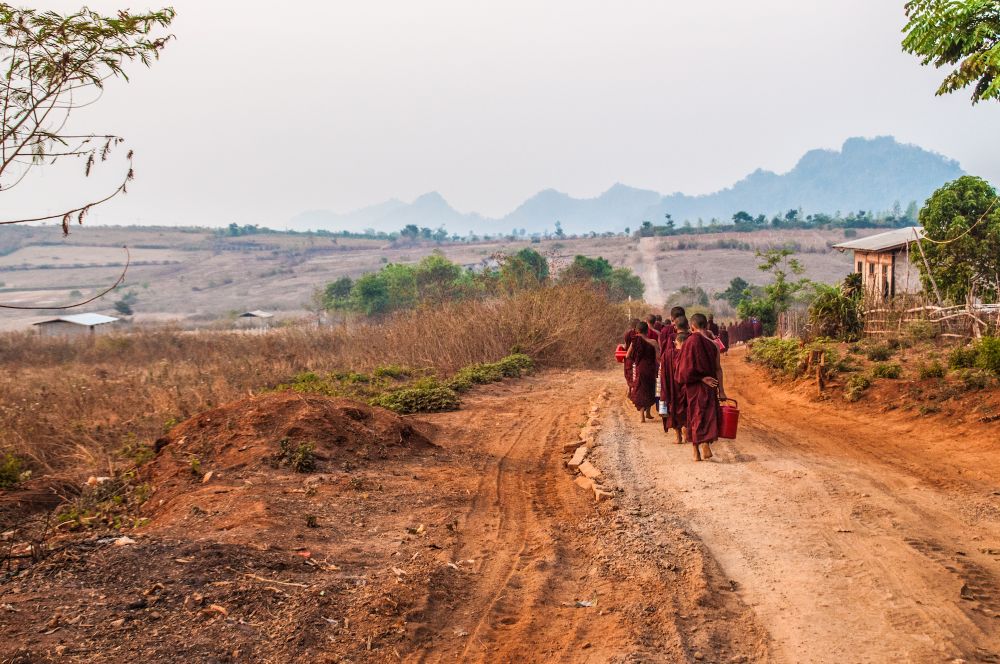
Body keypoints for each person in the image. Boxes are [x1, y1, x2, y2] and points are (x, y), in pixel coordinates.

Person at [677, 313, 726, 462]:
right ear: (707, 325)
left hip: (694, 386)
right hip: (711, 385)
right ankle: (705, 443)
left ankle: (695, 452)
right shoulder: (714, 344)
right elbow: (718, 369)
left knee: (695, 415)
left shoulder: (688, 342)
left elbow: (683, 370)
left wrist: (700, 378)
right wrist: (722, 390)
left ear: (692, 326)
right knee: (708, 415)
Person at [660, 315, 688, 445]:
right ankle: (686, 428)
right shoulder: (689, 352)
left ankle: (678, 437)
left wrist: (663, 388)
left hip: (672, 387)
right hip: (686, 386)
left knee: (673, 409)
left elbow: (663, 371)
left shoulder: (668, 354)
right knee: (687, 408)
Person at [626, 321, 659, 422]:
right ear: (647, 331)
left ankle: (642, 416)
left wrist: (636, 358)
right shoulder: (653, 342)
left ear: (637, 331)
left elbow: (627, 355)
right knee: (650, 388)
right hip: (651, 368)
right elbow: (658, 356)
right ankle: (648, 413)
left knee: (641, 389)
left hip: (640, 368)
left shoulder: (635, 341)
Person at [622, 318, 640, 397]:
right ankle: (635, 390)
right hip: (638, 357)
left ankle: (630, 389)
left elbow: (626, 346)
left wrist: (622, 348)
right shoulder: (641, 334)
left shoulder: (627, 334)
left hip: (629, 358)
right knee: (637, 374)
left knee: (629, 374)